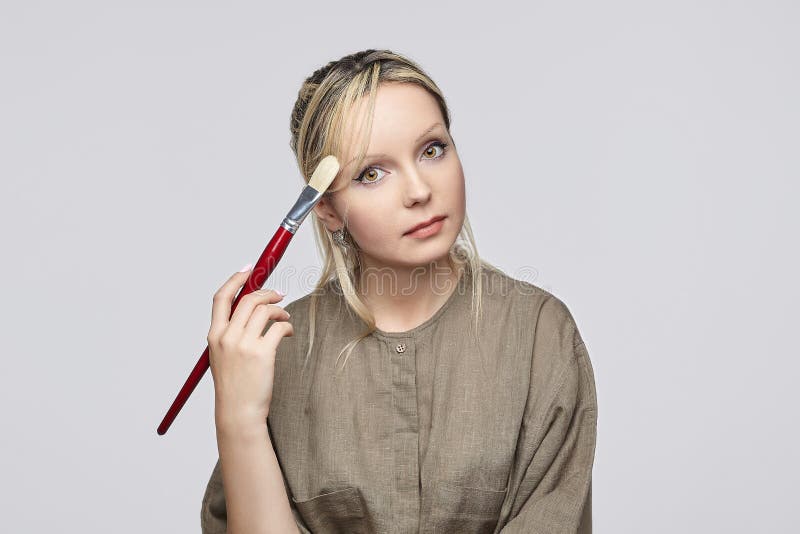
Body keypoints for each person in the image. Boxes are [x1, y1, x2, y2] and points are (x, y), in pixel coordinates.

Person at [200, 49, 598, 534]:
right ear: (325, 210)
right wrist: (239, 419)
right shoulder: (273, 350)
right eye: (371, 173)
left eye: (432, 150)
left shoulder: (540, 335)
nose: (419, 190)